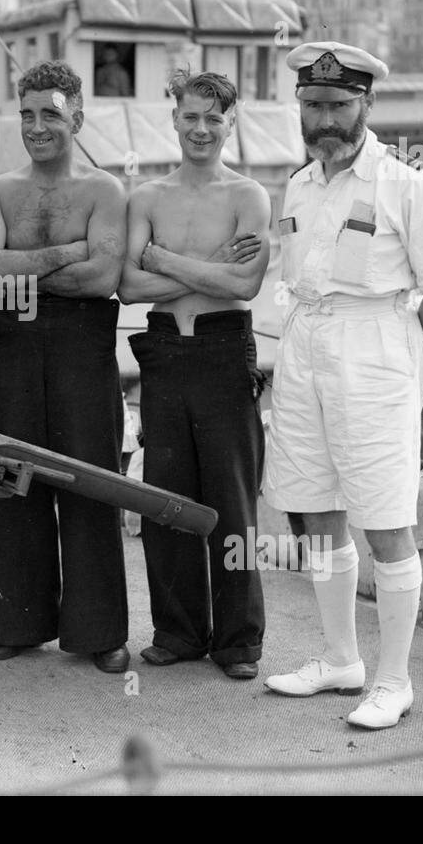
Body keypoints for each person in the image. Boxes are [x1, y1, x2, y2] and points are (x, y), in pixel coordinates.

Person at [262, 41, 423, 729]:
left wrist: (397, 365)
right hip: (305, 345)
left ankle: (395, 679)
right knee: (314, 507)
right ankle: (340, 657)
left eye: (338, 105)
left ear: (365, 105)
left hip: (375, 348)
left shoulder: (409, 185)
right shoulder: (298, 185)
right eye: (312, 105)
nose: (324, 118)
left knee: (384, 520)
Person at [0, 60, 131, 674]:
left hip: (83, 354)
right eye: (28, 114)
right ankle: (16, 620)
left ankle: (100, 633)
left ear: (77, 119)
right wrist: (68, 253)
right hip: (12, 351)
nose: (38, 126)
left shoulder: (104, 191)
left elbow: (103, 277)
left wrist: (21, 263)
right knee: (16, 480)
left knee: (91, 484)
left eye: (52, 115)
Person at [118, 69, 271, 679]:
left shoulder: (248, 196)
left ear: (230, 123)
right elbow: (129, 286)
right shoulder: (147, 197)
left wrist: (163, 259)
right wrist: (206, 266)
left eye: (214, 118)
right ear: (174, 118)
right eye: (191, 116)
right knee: (167, 499)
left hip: (222, 350)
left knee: (232, 504)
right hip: (162, 353)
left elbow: (247, 284)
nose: (201, 129)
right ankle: (178, 633)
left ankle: (239, 642)